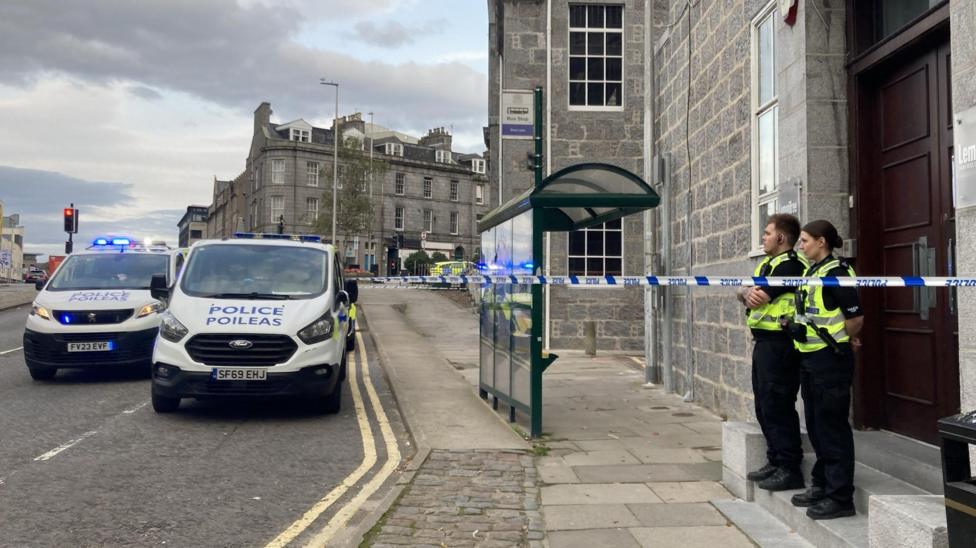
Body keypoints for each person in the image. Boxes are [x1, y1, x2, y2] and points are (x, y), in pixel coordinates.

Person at [788, 220, 863, 520]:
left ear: (821, 242)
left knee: (833, 428)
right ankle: (821, 484)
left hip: (830, 359)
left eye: (805, 240)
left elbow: (855, 319)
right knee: (817, 425)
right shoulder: (813, 271)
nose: (801, 245)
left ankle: (840, 497)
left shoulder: (837, 273)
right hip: (810, 357)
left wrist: (842, 340)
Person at [736, 214, 807, 492]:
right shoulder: (769, 264)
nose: (763, 238)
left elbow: (758, 297)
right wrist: (744, 293)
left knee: (777, 404)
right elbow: (744, 292)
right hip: (765, 342)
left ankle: (790, 467)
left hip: (781, 344)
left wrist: (747, 293)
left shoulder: (791, 265)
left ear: (781, 237)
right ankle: (775, 459)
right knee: (764, 404)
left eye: (767, 233)